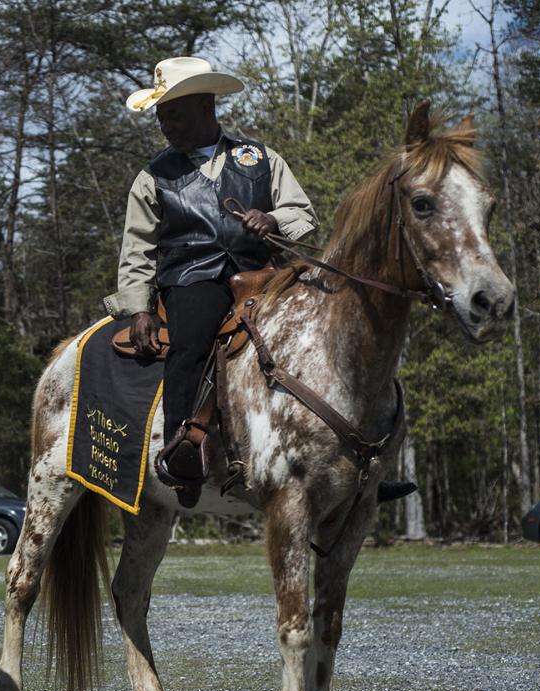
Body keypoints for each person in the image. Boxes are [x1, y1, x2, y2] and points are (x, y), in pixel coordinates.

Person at [107, 56, 415, 507]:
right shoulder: (153, 177)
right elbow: (136, 248)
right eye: (160, 113)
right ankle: (182, 450)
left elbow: (301, 213)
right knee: (191, 340)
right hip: (194, 277)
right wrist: (139, 308)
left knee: (340, 328)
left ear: (203, 105)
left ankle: (365, 460)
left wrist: (271, 219)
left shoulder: (260, 159)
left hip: (269, 276)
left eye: (171, 111)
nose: (163, 123)